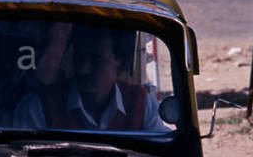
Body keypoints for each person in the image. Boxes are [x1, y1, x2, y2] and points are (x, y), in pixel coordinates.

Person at [13, 26, 168, 132]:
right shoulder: (38, 107)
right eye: (79, 58)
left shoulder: (142, 104)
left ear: (121, 65)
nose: (83, 69)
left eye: (96, 60)